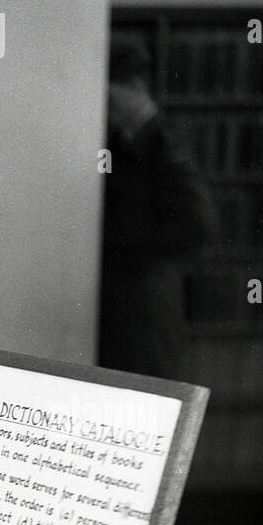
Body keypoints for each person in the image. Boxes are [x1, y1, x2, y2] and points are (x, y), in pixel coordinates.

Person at [98, 37, 216, 380]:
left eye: (110, 97)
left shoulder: (163, 142)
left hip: (145, 303)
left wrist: (121, 248)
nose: (106, 109)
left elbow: (198, 227)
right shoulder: (123, 141)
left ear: (135, 87)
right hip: (121, 300)